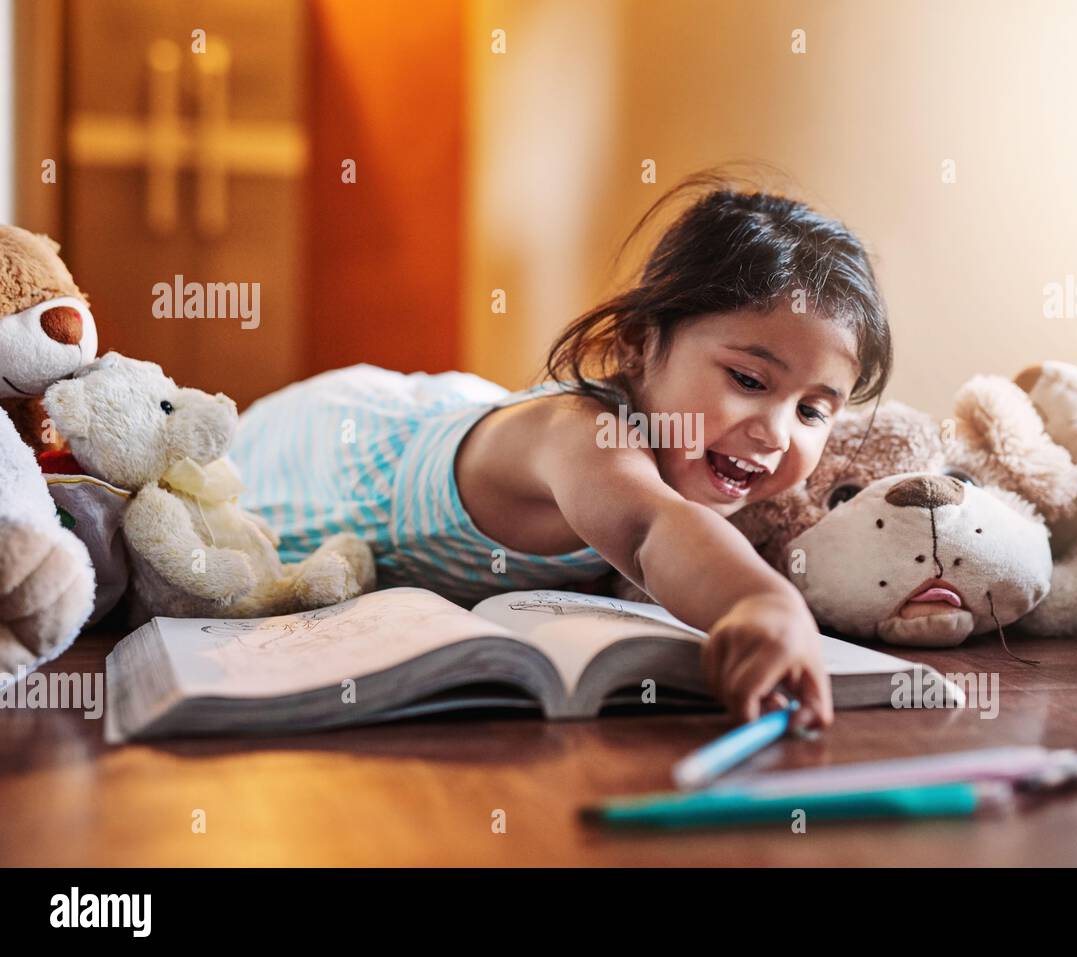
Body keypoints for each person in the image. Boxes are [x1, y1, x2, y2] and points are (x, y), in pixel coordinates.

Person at [232, 170, 892, 730]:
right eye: (748, 380)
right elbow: (649, 527)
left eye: (812, 409)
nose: (777, 432)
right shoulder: (580, 434)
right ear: (639, 340)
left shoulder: (690, 452)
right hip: (330, 451)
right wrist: (761, 604)